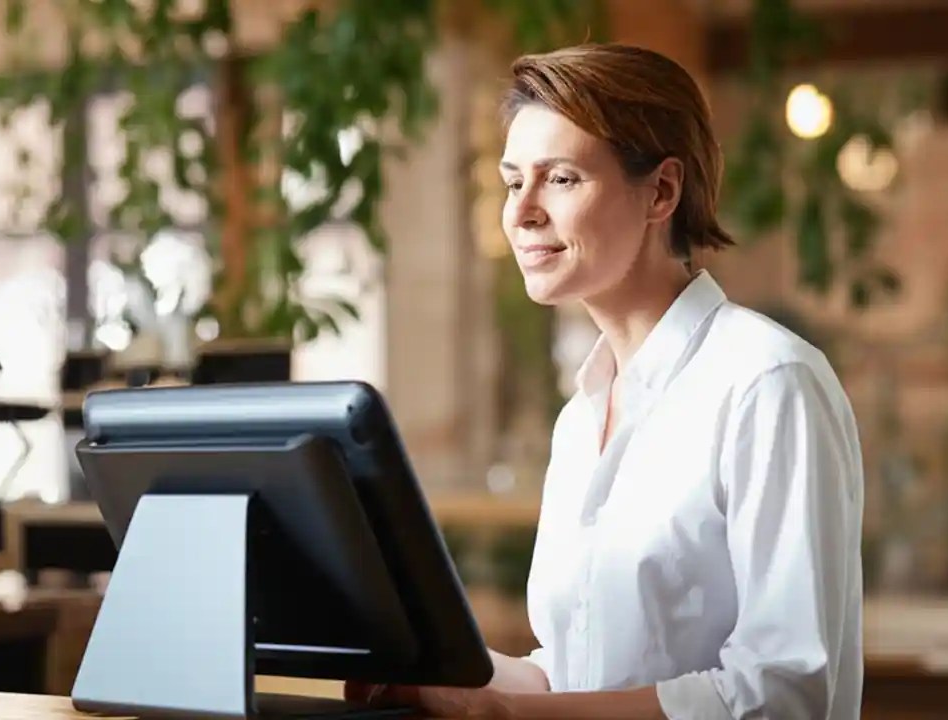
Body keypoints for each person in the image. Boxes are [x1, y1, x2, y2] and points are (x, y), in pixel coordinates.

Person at [349, 43, 865, 719]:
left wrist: (503, 714)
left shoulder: (768, 384)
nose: (522, 212)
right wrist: (425, 669)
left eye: (560, 179)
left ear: (661, 191)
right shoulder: (583, 415)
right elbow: (574, 675)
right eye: (512, 182)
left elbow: (782, 696)